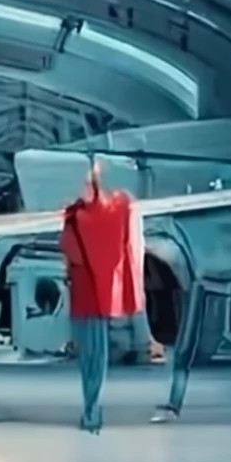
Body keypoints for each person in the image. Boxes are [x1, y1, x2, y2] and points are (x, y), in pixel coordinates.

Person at [59, 161, 145, 434]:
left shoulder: (84, 215)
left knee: (93, 355)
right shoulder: (77, 215)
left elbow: (71, 250)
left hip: (91, 294)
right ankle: (91, 408)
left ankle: (92, 409)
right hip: (87, 294)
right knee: (90, 356)